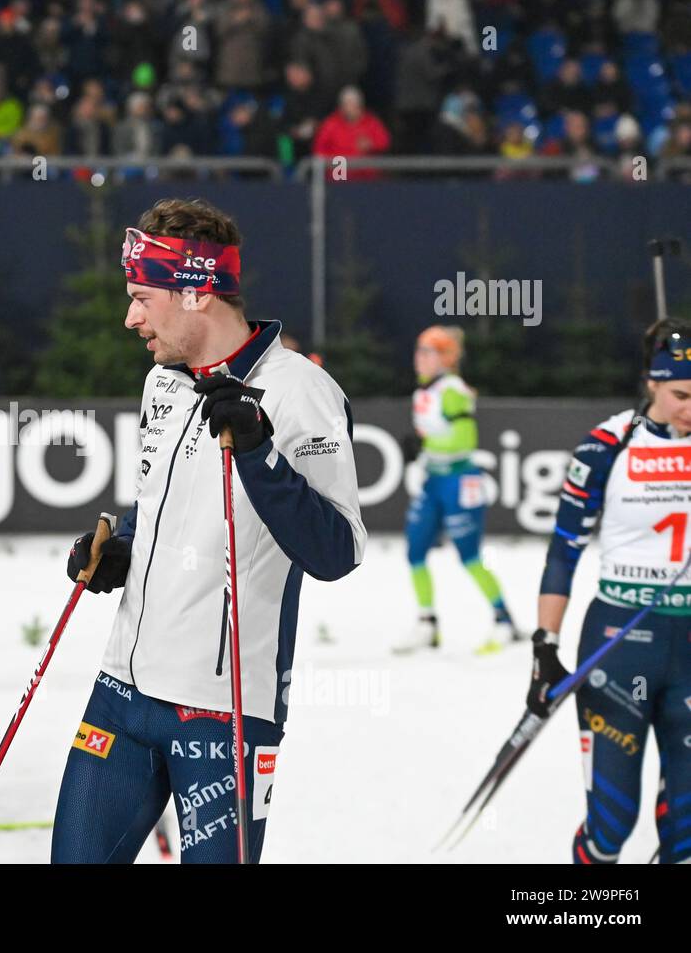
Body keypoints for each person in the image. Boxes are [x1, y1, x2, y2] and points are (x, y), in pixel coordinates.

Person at [50, 197, 366, 864]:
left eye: (142, 297)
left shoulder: (299, 391)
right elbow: (156, 508)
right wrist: (122, 552)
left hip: (222, 710)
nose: (129, 316)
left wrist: (257, 452)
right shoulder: (162, 384)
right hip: (121, 691)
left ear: (196, 292)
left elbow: (336, 551)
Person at [526, 319, 691, 864]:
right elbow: (564, 550)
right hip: (621, 643)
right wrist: (545, 645)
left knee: (687, 832)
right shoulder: (607, 445)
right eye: (681, 395)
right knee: (610, 826)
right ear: (651, 382)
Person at [395, 326, 517, 652]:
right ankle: (427, 623)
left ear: (445, 358)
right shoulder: (423, 391)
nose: (419, 358)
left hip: (460, 480)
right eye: (418, 350)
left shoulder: (452, 389)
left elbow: (464, 440)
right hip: (435, 480)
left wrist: (424, 443)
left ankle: (504, 619)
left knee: (470, 556)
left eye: (428, 352)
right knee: (415, 550)